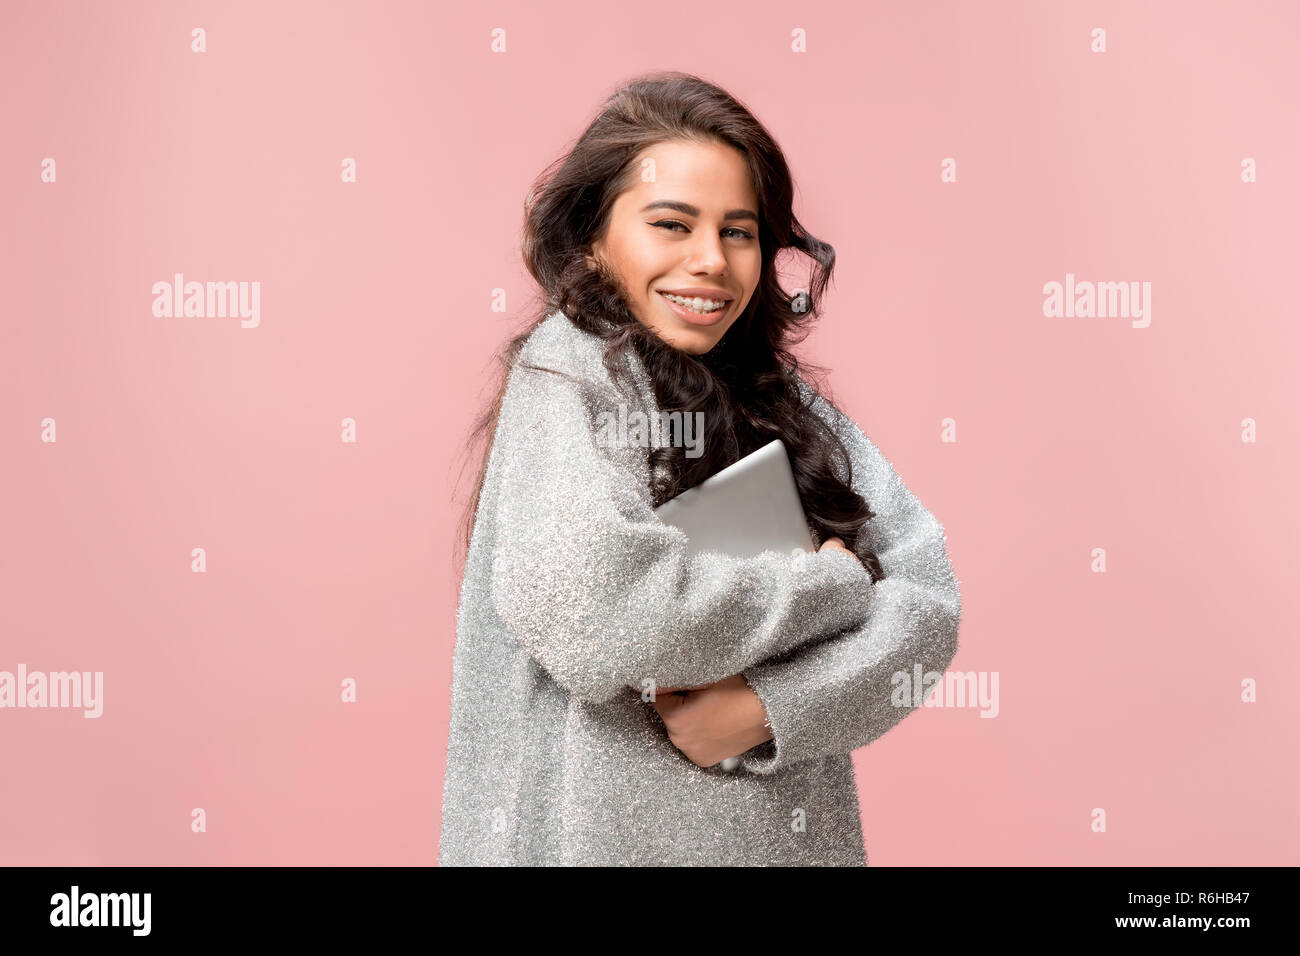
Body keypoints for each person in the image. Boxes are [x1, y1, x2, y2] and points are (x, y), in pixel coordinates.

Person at [440, 71, 961, 866]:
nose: (710, 260)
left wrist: (769, 707)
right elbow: (605, 618)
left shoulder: (777, 401)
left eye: (739, 231)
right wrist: (833, 587)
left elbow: (928, 605)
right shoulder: (567, 377)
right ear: (593, 237)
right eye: (671, 224)